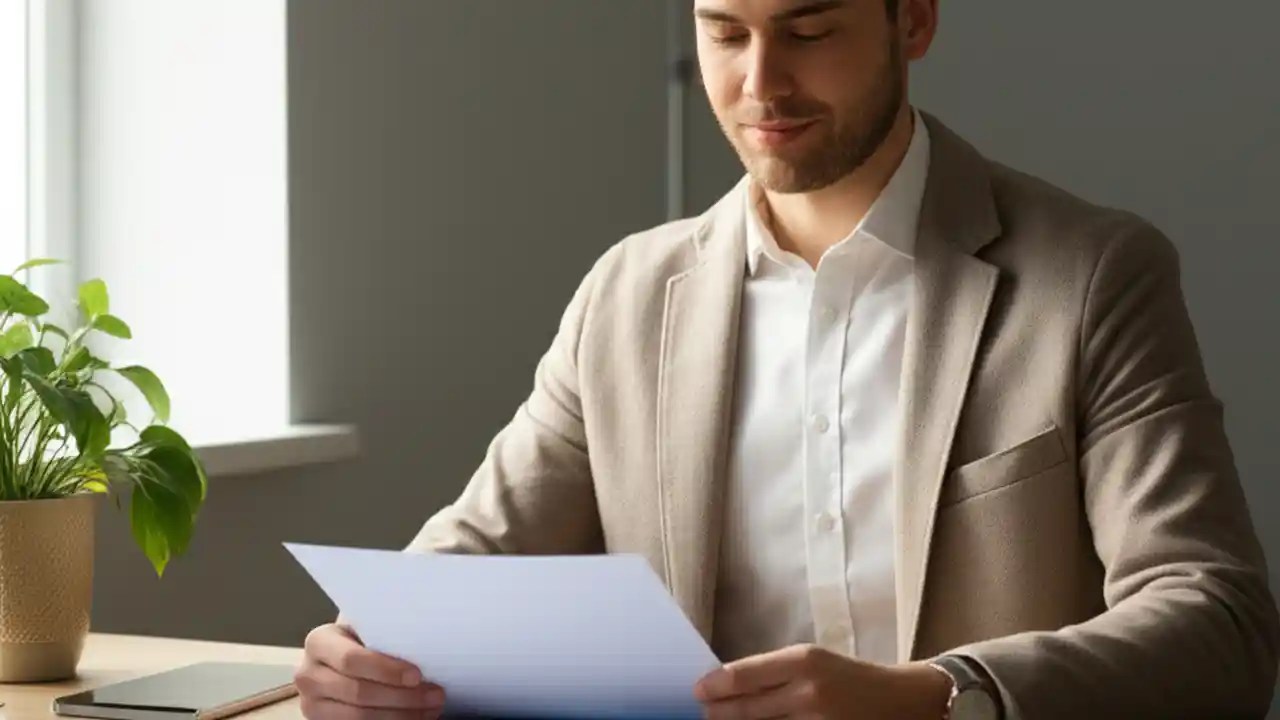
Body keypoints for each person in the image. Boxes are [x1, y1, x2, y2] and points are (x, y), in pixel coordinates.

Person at [294, 1, 1280, 718]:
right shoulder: (625, 294)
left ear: (913, 21)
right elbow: (471, 560)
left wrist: (934, 699)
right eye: (724, 32)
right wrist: (368, 647)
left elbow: (1216, 624)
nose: (758, 83)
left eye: (807, 32)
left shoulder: (1091, 274)